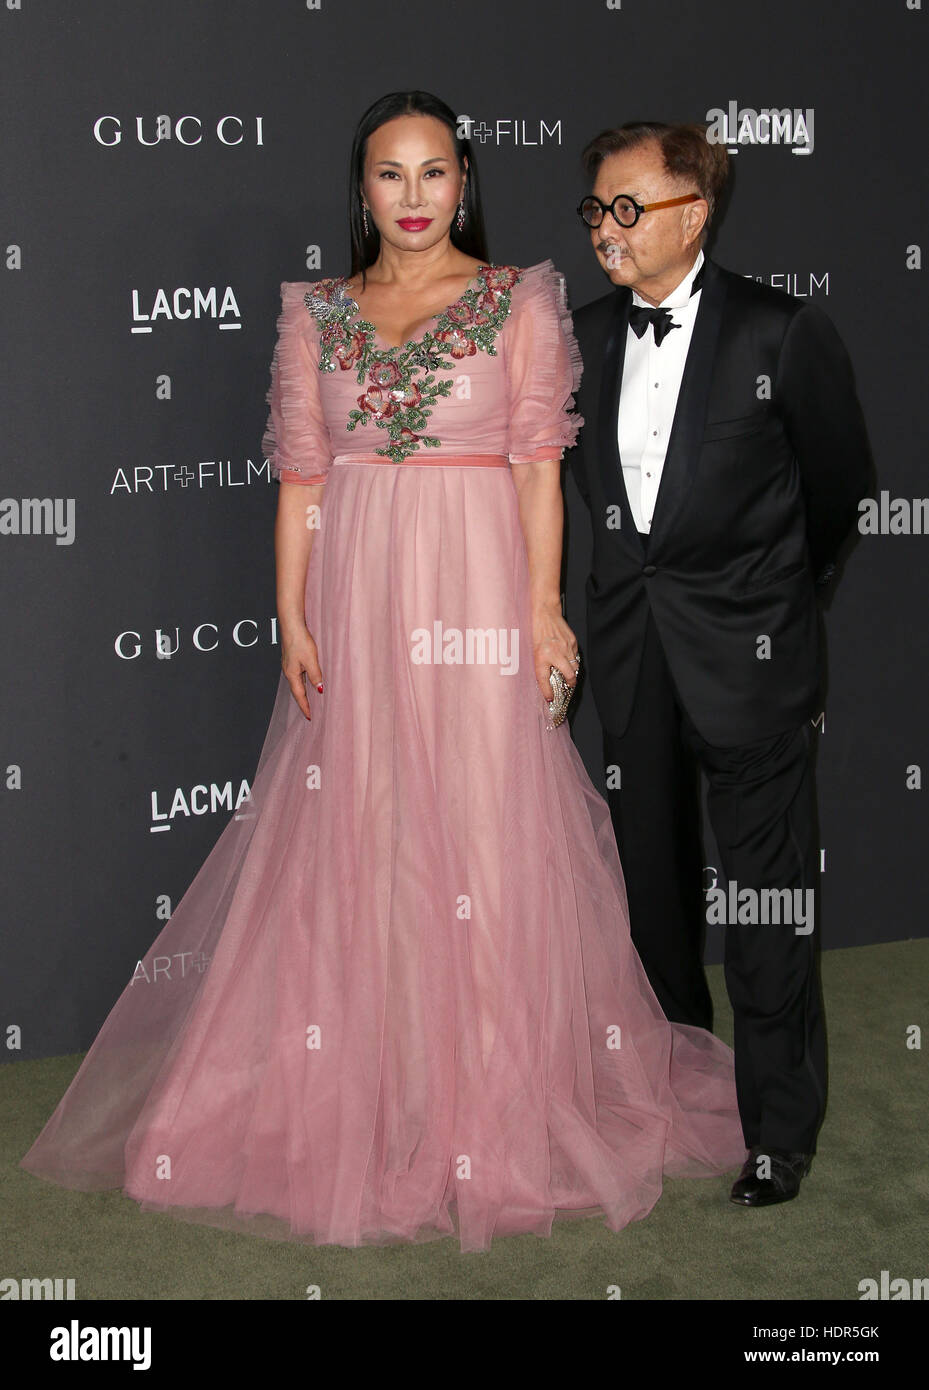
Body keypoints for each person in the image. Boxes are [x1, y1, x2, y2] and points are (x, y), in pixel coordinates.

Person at [20, 94, 746, 1253]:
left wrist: (542, 613)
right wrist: (290, 616)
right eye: (388, 176)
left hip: (475, 593)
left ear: (464, 181)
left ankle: (490, 1101)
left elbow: (532, 470)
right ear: (361, 191)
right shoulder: (316, 315)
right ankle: (387, 1089)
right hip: (358, 603)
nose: (412, 198)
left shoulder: (521, 298)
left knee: (479, 827)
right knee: (367, 829)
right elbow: (302, 479)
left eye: (432, 174)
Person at [567, 121, 873, 1208]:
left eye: (624, 208)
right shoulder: (584, 336)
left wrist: (773, 608)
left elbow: (838, 492)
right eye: (593, 209)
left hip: (749, 663)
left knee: (765, 910)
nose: (603, 230)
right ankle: (675, 1095)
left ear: (690, 213)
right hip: (632, 665)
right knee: (650, 905)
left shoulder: (779, 333)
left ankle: (775, 1133)